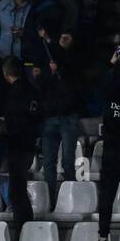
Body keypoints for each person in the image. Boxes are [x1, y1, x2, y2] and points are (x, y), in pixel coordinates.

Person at [91, 45, 120, 241]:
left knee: (110, 196)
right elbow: (99, 86)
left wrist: (111, 63)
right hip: (119, 151)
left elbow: (99, 85)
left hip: (116, 151)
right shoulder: (112, 87)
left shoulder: (111, 86)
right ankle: (106, 238)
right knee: (113, 196)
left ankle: (103, 238)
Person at [0, 57, 42, 240]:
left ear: (6, 73)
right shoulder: (32, 90)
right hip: (30, 144)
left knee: (16, 191)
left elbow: (14, 122)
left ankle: (23, 230)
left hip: (17, 146)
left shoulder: (13, 93)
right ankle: (26, 227)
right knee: (19, 189)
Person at [35, 50, 84, 208]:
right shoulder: (45, 74)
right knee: (49, 163)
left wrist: (58, 73)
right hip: (49, 120)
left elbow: (73, 92)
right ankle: (51, 201)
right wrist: (50, 73)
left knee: (68, 162)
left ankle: (70, 200)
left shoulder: (71, 72)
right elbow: (40, 87)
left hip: (68, 119)